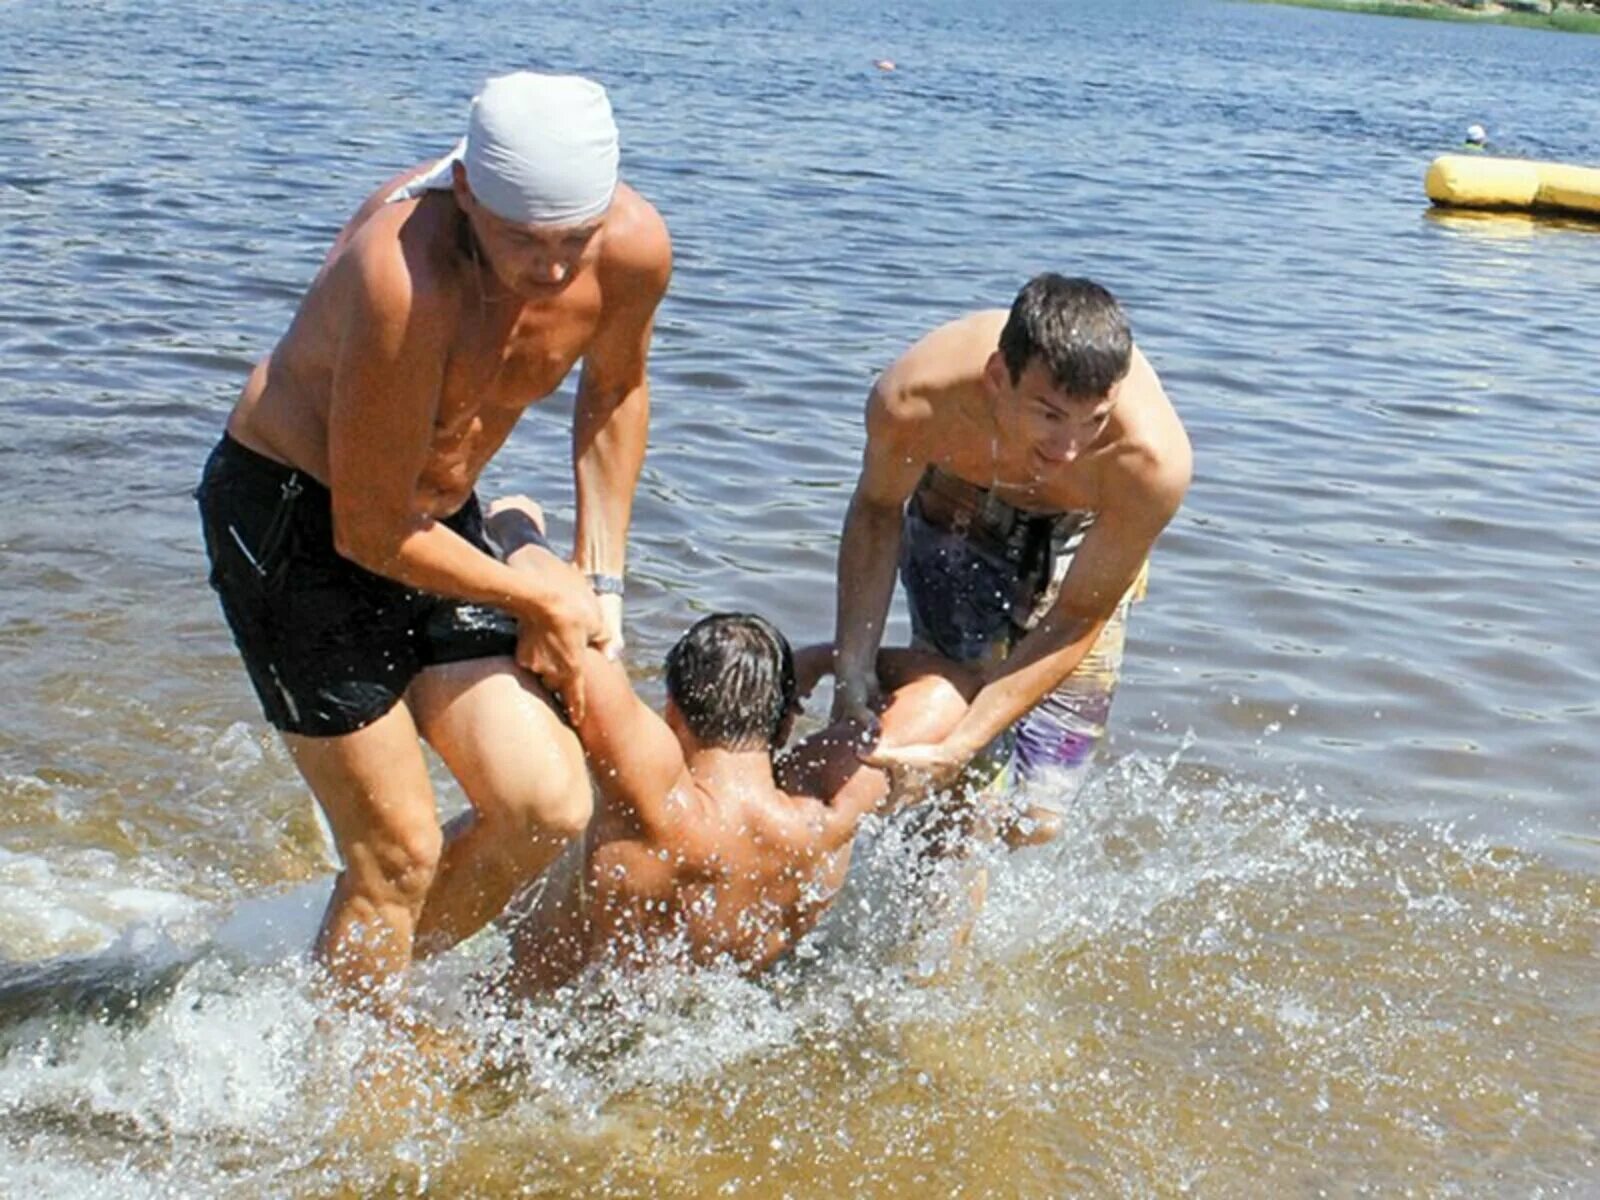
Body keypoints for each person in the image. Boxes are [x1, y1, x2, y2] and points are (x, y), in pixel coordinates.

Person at [194, 71, 672, 1004]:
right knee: (401, 850)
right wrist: (535, 594)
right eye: (524, 241)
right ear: (467, 193)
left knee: (546, 804)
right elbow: (368, 529)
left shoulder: (633, 249)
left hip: (435, 519)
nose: (553, 268)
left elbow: (614, 390)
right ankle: (351, 1060)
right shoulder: (399, 273)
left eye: (574, 237)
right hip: (295, 522)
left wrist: (598, 580)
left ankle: (338, 997)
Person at [487, 500, 974, 992]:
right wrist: (829, 660)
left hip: (559, 1009)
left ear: (670, 712)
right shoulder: (825, 811)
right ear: (785, 725)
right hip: (717, 1008)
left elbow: (559, 618)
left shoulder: (652, 794)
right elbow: (952, 687)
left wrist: (514, 526)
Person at [831, 274, 1191, 835]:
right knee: (972, 795)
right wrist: (851, 669)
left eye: (1093, 420)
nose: (1069, 448)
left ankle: (943, 788)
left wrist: (960, 743)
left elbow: (1078, 617)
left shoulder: (1149, 464)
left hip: (1084, 527)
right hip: (960, 503)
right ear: (998, 377)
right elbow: (877, 512)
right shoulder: (916, 400)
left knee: (1035, 821)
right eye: (1049, 414)